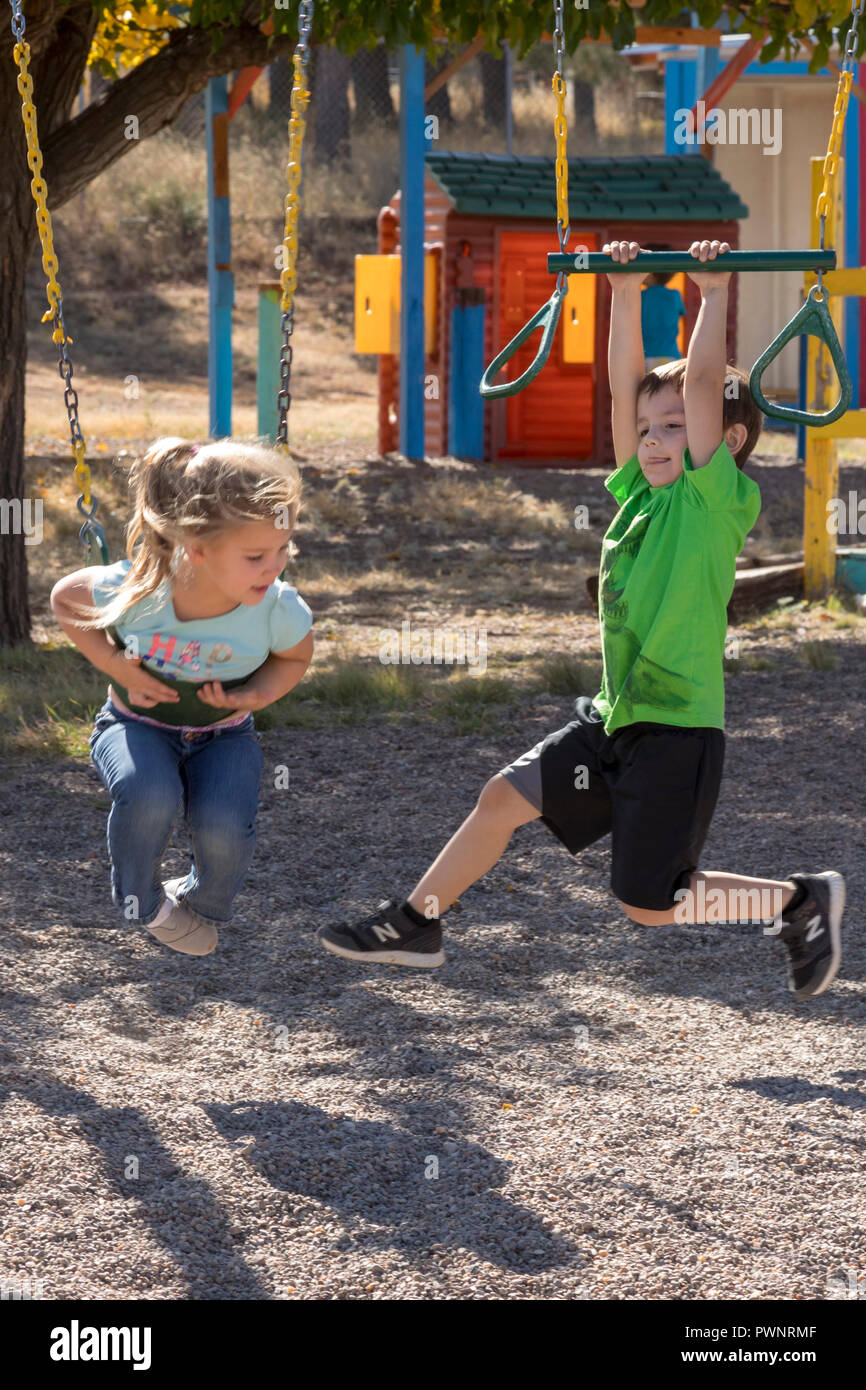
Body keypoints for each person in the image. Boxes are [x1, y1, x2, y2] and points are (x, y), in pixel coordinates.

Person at [319, 240, 845, 1001]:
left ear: (723, 442)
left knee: (650, 906)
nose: (653, 439)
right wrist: (625, 294)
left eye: (672, 428)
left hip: (675, 729)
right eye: (647, 430)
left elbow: (700, 382)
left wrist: (714, 295)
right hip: (617, 716)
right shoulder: (643, 490)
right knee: (503, 798)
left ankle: (796, 902)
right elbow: (623, 391)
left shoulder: (714, 500)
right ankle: (417, 922)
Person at [50, 438, 313, 955]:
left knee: (225, 827)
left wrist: (258, 694)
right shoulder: (143, 590)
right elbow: (66, 599)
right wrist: (113, 664)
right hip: (136, 725)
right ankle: (142, 902)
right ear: (198, 548)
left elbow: (294, 658)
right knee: (150, 796)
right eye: (256, 555)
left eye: (283, 550)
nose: (274, 567)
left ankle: (201, 900)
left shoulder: (276, 607)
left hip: (224, 733)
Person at [641, 244, 686, 372]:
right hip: (670, 355)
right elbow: (681, 315)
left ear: (651, 273)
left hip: (645, 354)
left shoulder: (640, 296)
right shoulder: (675, 295)